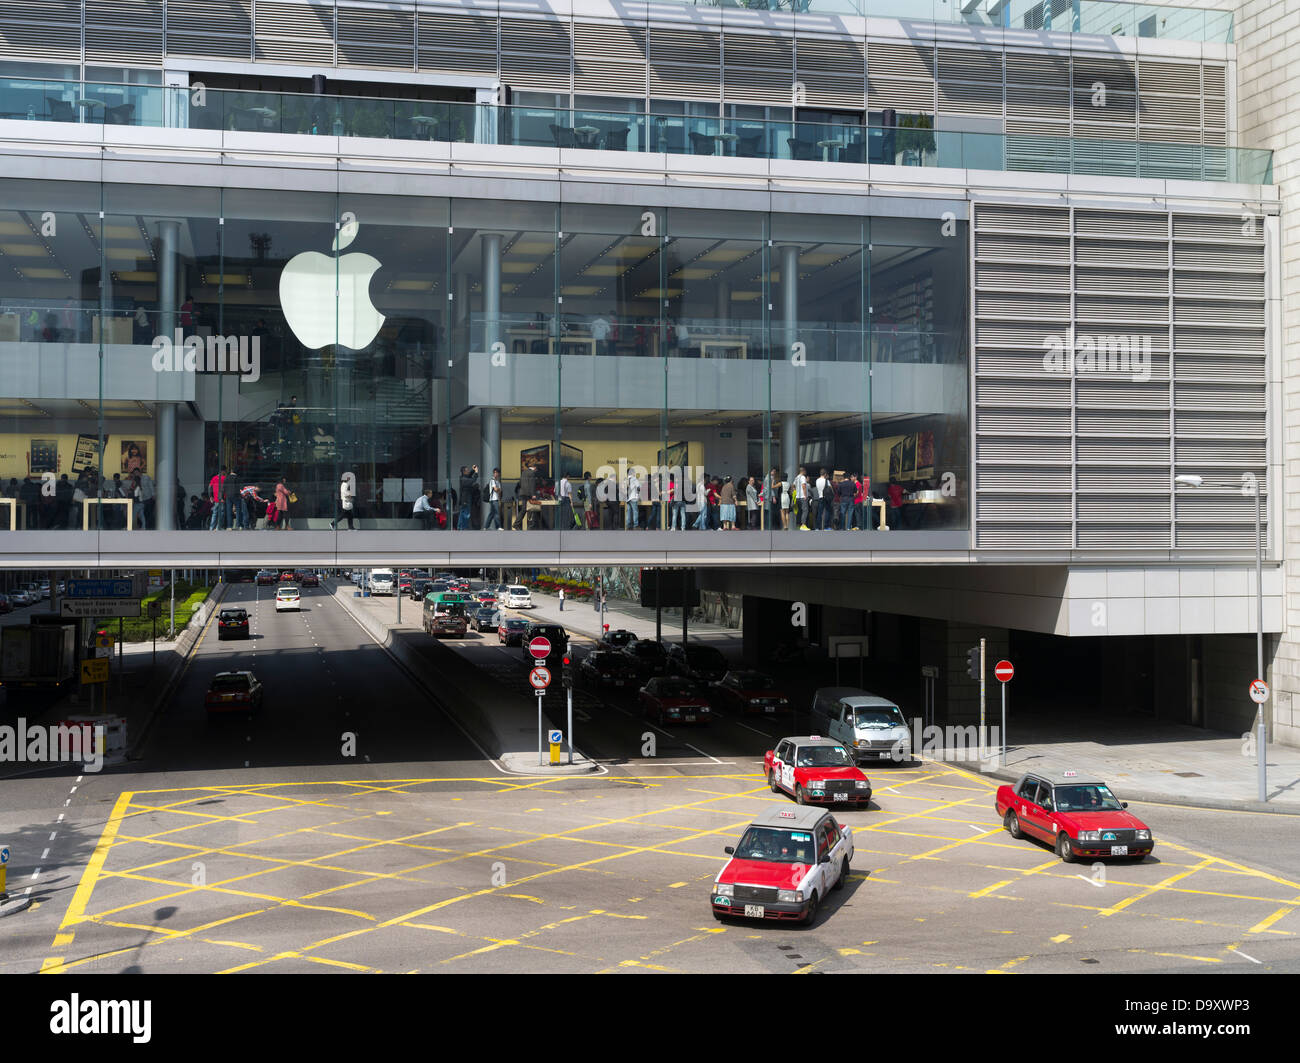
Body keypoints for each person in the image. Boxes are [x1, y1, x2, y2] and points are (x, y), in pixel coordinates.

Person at [457, 465, 478, 530]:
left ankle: (460, 527)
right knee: (466, 514)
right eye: (467, 470)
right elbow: (472, 480)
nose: (468, 471)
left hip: (465, 498)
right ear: (464, 472)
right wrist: (476, 473)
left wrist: (473, 470)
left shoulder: (463, 477)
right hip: (465, 499)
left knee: (462, 513)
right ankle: (463, 527)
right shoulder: (463, 479)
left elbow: (469, 475)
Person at [794, 466, 810, 530]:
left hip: (798, 497)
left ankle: (798, 525)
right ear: (803, 471)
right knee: (805, 511)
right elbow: (804, 486)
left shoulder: (796, 477)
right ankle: (803, 525)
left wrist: (797, 491)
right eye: (805, 471)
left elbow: (793, 485)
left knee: (799, 511)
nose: (805, 472)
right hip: (803, 497)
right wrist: (805, 495)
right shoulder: (803, 477)